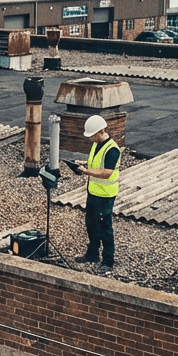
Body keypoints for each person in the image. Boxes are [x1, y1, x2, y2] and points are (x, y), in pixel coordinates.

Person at [73, 115, 121, 273]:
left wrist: (87, 172)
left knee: (105, 227)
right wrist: (85, 164)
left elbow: (107, 172)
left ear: (101, 131)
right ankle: (92, 253)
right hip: (93, 192)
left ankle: (108, 260)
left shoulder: (112, 149)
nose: (90, 138)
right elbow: (96, 163)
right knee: (91, 224)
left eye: (92, 135)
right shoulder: (97, 144)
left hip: (105, 195)